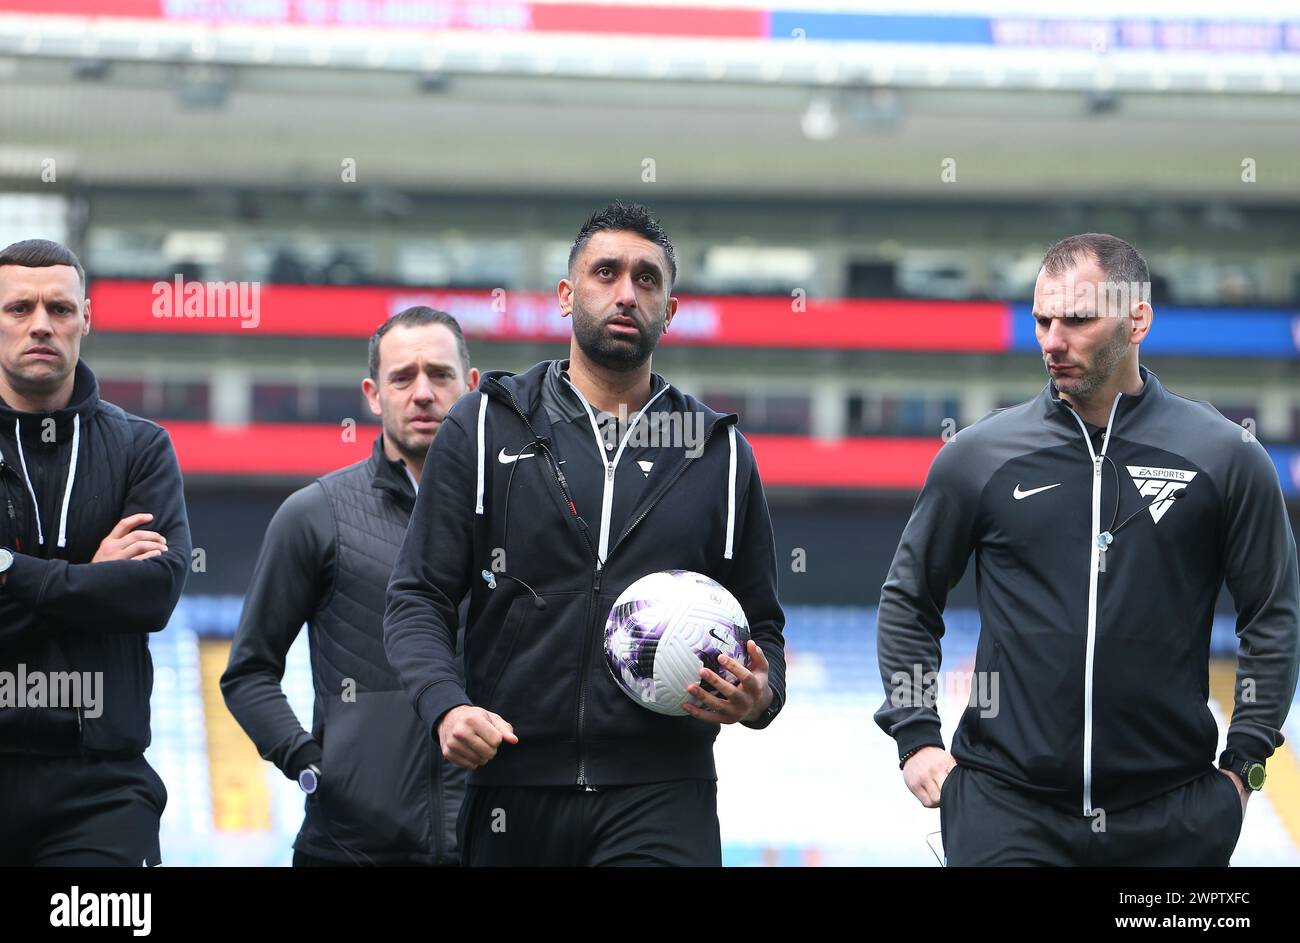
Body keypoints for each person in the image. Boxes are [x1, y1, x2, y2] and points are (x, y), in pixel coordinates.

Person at [875, 232, 1300, 866]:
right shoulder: (977, 456)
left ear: (1138, 320)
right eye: (1042, 319)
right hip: (1006, 809)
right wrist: (915, 736)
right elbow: (909, 600)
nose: (1051, 341)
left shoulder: (1225, 458)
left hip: (1172, 817)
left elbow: (1273, 615)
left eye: (1076, 319)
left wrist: (1245, 769)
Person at [385, 200, 787, 866]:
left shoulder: (717, 451)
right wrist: (445, 706)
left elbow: (762, 626)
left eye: (648, 279)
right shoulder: (485, 426)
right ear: (568, 296)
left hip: (662, 795)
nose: (627, 293)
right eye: (607, 273)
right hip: (514, 786)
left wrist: (758, 695)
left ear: (671, 310)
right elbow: (418, 598)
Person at [222, 307, 476, 866]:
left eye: (440, 375)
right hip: (348, 850)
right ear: (372, 394)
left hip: (494, 846)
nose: (424, 394)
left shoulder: (516, 513)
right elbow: (248, 672)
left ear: (471, 386)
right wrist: (314, 768)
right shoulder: (315, 515)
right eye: (402, 378)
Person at [0, 239, 190, 865]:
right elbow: (114, 593)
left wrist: (14, 572)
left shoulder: (142, 448)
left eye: (59, 307)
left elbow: (154, 593)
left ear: (87, 318)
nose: (40, 325)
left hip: (102, 788)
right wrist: (89, 579)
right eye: (18, 308)